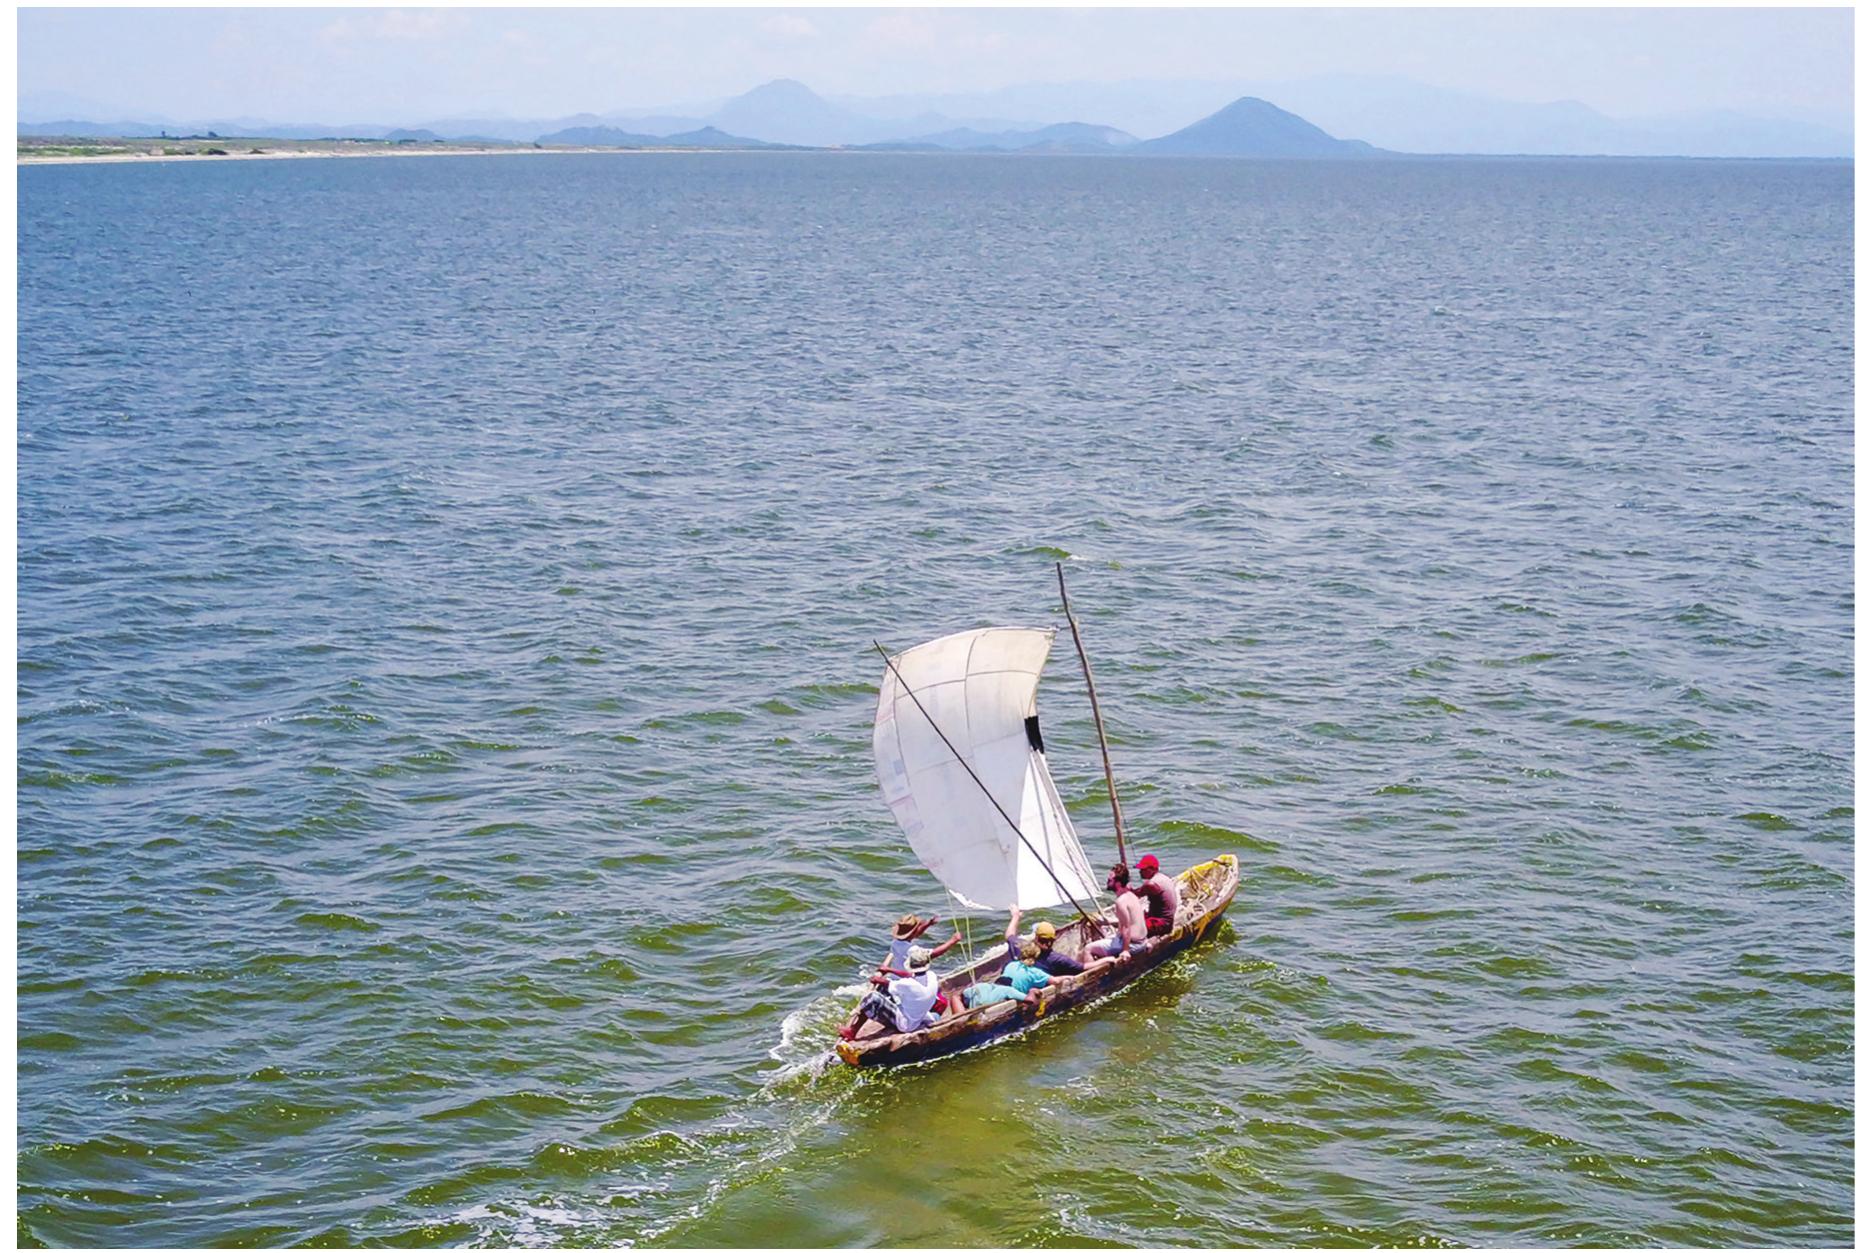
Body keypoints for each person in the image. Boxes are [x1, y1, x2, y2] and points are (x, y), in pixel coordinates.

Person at [841, 944, 942, 1040]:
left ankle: (853, 1031)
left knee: (872, 998)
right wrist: (889, 970)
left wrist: (877, 979)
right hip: (919, 1016)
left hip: (906, 1024)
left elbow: (887, 983)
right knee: (883, 990)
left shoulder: (908, 984)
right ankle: (865, 1019)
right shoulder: (931, 975)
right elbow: (909, 975)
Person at [961, 940, 1051, 1008]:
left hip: (975, 1007)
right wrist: (1032, 991)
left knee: (955, 997)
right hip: (985, 1015)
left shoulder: (981, 986)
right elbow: (1030, 1000)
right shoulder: (1007, 990)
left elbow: (963, 995)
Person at [1087, 863, 1149, 960]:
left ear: (1118, 883)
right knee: (1107, 939)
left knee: (1088, 948)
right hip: (1142, 941)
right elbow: (1130, 922)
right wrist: (1107, 922)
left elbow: (1126, 927)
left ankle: (1089, 970)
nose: (1107, 882)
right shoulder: (1132, 896)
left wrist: (1125, 950)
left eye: (1110, 880)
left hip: (1133, 945)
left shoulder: (1120, 902)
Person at [1004, 906, 1086, 976]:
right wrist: (1099, 961)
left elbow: (1009, 935)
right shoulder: (1057, 959)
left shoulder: (1020, 946)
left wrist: (1016, 916)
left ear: (1036, 937)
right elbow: (1083, 967)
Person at [884, 913, 962, 973]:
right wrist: (953, 940)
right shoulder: (912, 950)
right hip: (908, 979)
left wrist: (928, 924)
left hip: (896, 977)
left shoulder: (895, 942)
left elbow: (915, 934)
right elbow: (933, 954)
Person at [1134, 854, 1179, 936]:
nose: (1140, 872)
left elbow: (1135, 894)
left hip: (1162, 924)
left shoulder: (1151, 884)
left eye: (1143, 869)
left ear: (1152, 869)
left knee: (1132, 927)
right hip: (1166, 921)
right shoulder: (1163, 878)